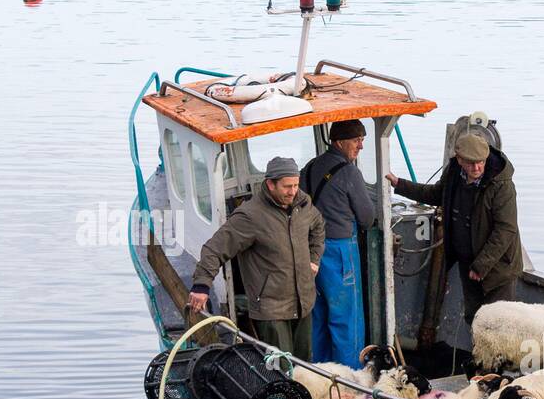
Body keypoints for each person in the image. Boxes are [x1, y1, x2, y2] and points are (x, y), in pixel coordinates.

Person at [187, 156, 325, 359]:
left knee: (304, 366)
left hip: (303, 303)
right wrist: (201, 286)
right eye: (287, 187)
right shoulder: (250, 216)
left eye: (296, 185)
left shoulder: (302, 204)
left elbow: (318, 226)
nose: (293, 191)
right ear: (270, 184)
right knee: (280, 368)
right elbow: (214, 249)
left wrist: (314, 259)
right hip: (271, 309)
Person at [386, 132, 522, 323]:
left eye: (480, 162)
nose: (477, 167)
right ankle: (477, 353)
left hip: (498, 268)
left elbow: (506, 230)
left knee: (498, 323)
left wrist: (481, 266)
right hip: (468, 261)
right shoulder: (454, 174)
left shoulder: (502, 186)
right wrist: (400, 185)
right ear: (459, 160)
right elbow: (436, 194)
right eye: (471, 163)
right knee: (474, 318)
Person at [302, 119, 376, 367]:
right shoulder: (350, 172)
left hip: (312, 251)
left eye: (362, 140)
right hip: (340, 251)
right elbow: (367, 218)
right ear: (340, 142)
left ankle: (320, 371)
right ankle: (351, 378)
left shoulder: (311, 167)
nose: (361, 146)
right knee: (347, 320)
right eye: (357, 141)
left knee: (319, 316)